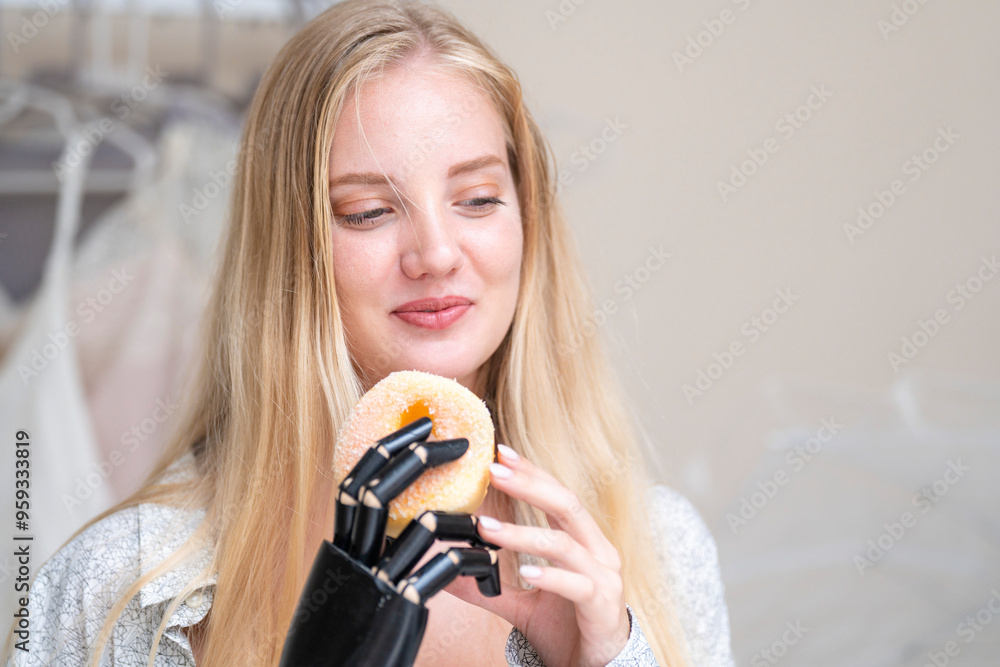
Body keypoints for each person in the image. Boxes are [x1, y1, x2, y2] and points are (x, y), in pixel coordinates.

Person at [3, 1, 734, 665]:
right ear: (289, 251)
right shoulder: (117, 588)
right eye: (367, 212)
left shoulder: (657, 553)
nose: (437, 253)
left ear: (527, 219)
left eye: (478, 199)